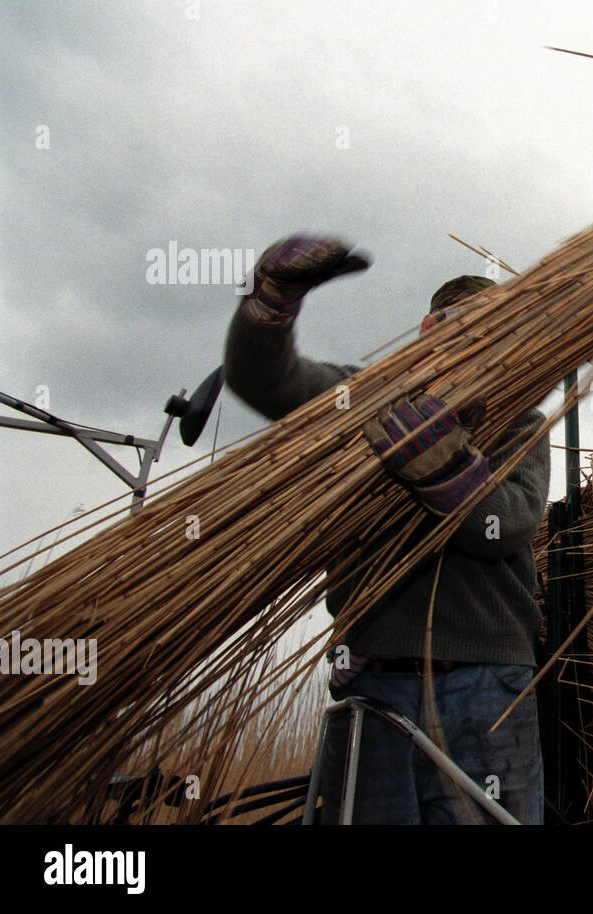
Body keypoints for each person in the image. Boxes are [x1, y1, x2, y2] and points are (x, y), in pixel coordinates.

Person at [223, 233, 550, 824]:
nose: (471, 343)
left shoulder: (518, 419)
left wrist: (452, 475)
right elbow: (264, 381)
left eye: (489, 331)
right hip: (374, 680)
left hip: (485, 683)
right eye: (456, 327)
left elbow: (508, 526)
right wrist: (269, 305)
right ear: (427, 332)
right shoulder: (369, 404)